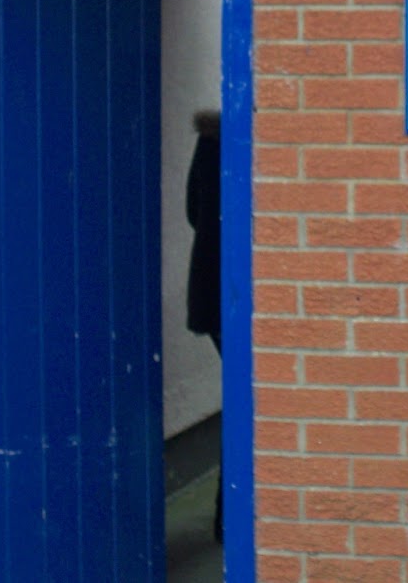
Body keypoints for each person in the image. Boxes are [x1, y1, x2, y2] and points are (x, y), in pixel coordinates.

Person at [185, 108, 222, 542]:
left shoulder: (209, 140)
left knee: (241, 400)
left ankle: (225, 520)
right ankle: (231, 518)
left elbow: (194, 210)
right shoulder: (251, 136)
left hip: (212, 292)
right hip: (236, 293)